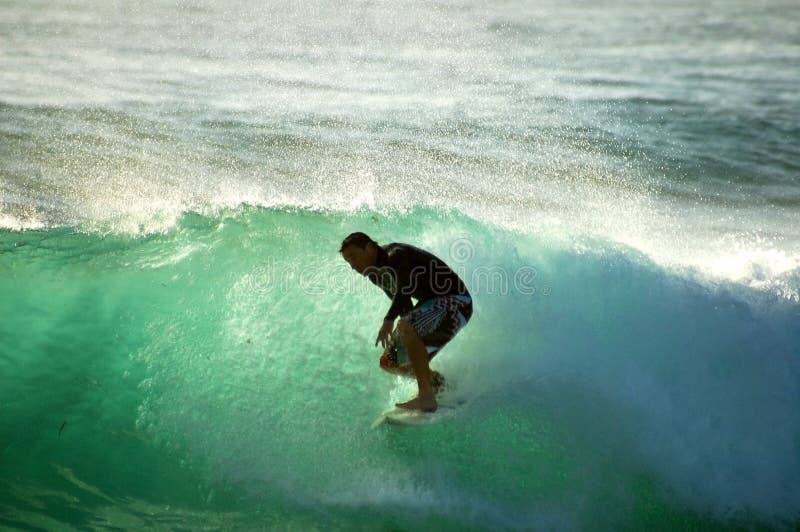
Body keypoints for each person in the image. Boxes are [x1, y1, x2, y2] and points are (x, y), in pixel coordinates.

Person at [340, 232, 473, 412]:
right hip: (434, 308)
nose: (353, 266)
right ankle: (442, 386)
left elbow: (404, 290)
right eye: (348, 261)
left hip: (457, 302)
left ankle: (426, 397)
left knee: (405, 325)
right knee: (390, 362)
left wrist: (389, 320)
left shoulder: (396, 255)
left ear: (370, 248)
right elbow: (404, 306)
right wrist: (411, 346)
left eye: (354, 257)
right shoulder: (374, 275)